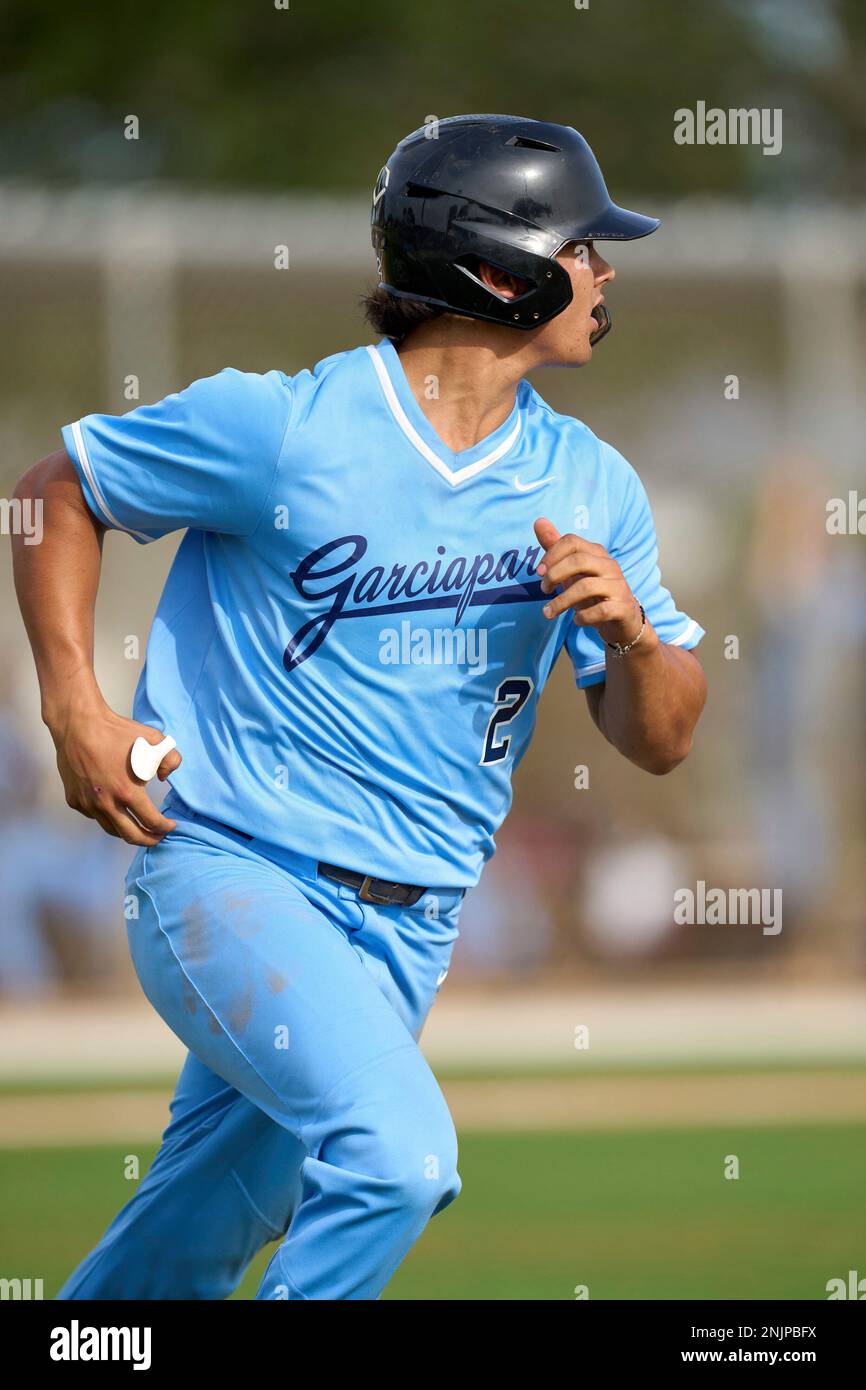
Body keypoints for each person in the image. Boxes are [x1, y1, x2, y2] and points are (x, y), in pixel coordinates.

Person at [11, 115, 706, 1300]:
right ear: (499, 267)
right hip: (232, 876)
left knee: (182, 1251)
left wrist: (629, 634)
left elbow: (659, 739)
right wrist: (74, 708)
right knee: (396, 1158)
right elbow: (55, 493)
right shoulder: (283, 427)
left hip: (411, 925)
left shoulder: (592, 482)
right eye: (582, 245)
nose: (604, 271)